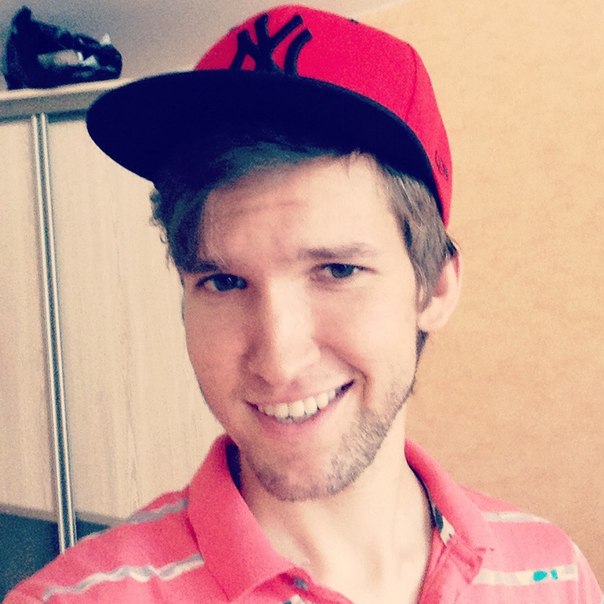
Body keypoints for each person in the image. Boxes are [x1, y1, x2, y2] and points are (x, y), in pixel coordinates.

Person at [6, 5, 602, 603]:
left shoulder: (553, 577)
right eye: (224, 282)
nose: (279, 360)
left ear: (436, 287)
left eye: (337, 270)